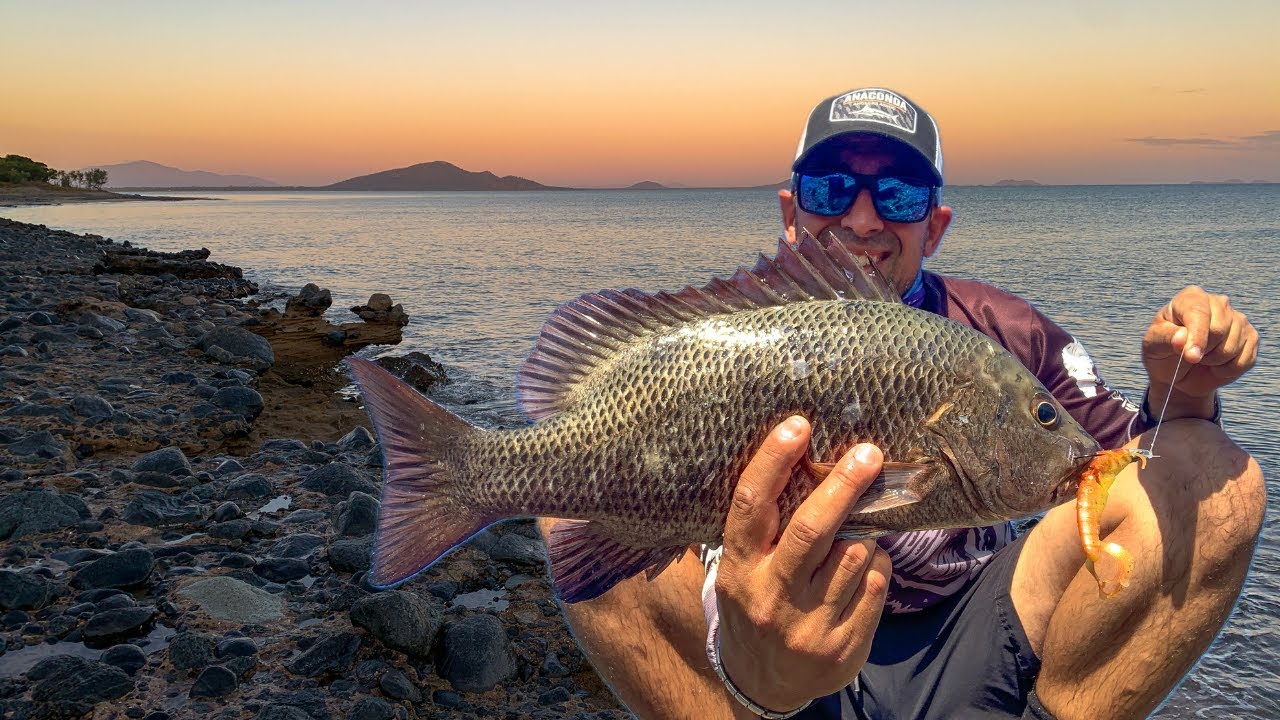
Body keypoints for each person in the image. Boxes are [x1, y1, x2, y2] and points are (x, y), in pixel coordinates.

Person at [537, 87, 1264, 720]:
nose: (861, 219)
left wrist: (1183, 390)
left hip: (975, 634)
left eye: (899, 194)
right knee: (565, 493)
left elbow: (1132, 469)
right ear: (792, 211)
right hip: (762, 635)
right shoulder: (725, 341)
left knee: (1216, 479)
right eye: (830, 188)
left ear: (935, 224)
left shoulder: (1009, 336)